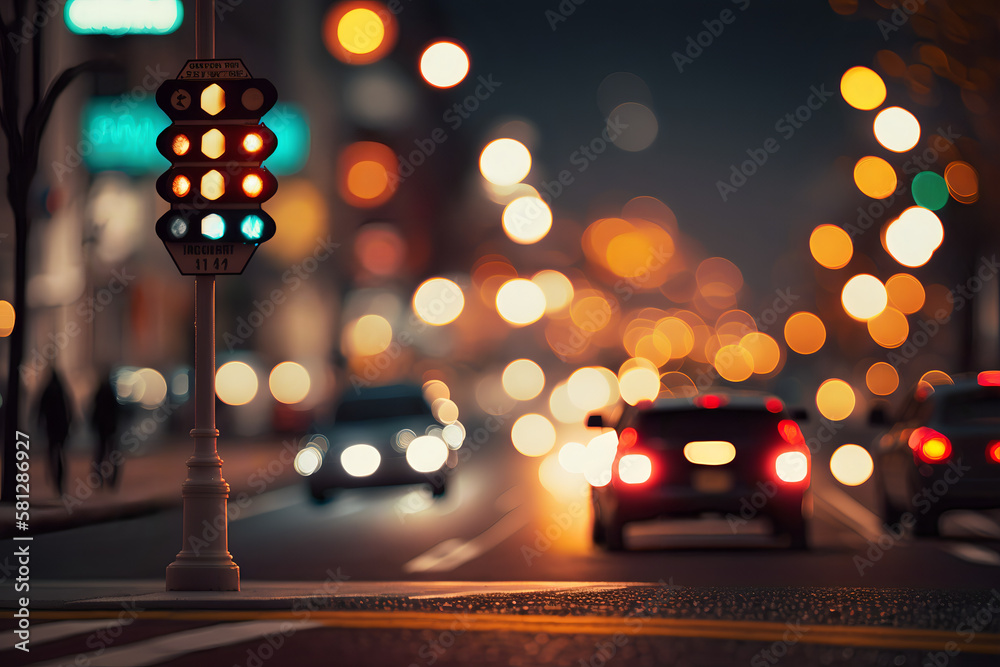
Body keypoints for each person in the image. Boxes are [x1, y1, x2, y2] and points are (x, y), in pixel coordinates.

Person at [37, 370, 72, 496]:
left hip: (51, 427)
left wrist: (39, 424)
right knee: (61, 453)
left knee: (52, 453)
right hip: (61, 427)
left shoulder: (47, 391)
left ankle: (53, 475)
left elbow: (40, 409)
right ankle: (59, 480)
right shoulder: (62, 391)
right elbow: (69, 409)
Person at [90, 374, 122, 489]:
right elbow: (118, 411)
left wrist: (93, 425)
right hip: (110, 429)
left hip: (102, 429)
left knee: (101, 454)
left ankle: (99, 479)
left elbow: (94, 411)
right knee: (111, 454)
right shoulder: (112, 394)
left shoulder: (99, 394)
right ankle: (110, 480)